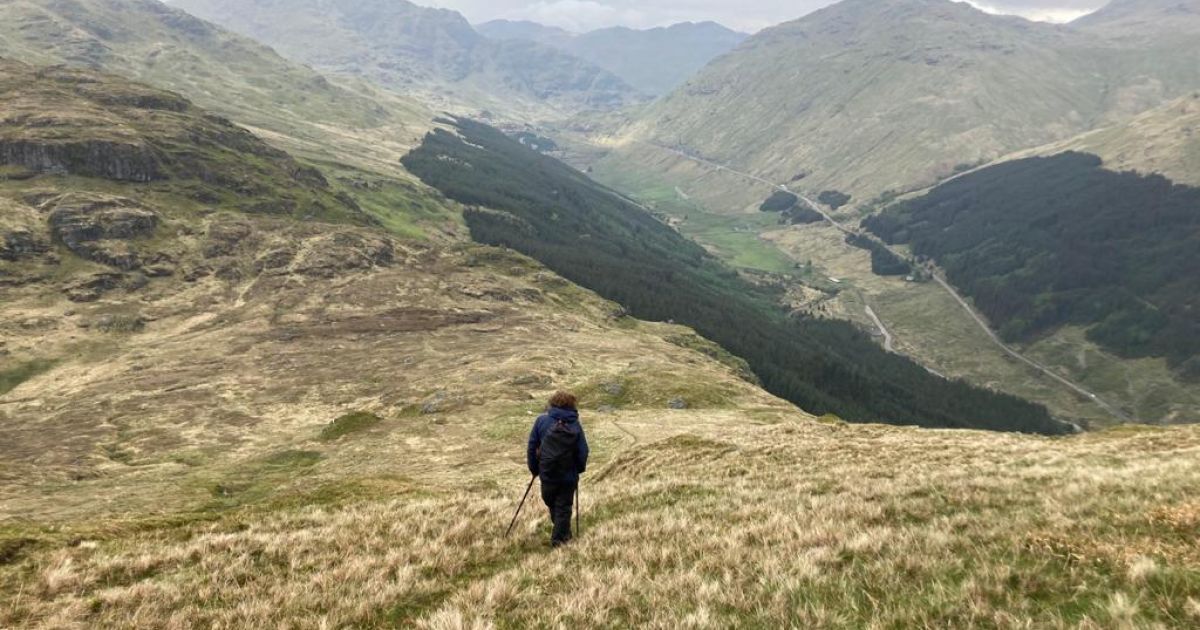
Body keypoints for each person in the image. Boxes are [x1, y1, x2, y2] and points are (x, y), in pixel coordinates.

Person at [527, 391, 589, 546]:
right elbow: (583, 450)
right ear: (571, 405)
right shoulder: (575, 424)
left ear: (552, 403)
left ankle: (559, 541)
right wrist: (578, 469)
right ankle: (563, 532)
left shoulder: (541, 421)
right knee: (562, 506)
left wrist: (535, 469)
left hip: (547, 474)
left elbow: (532, 447)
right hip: (568, 476)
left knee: (553, 503)